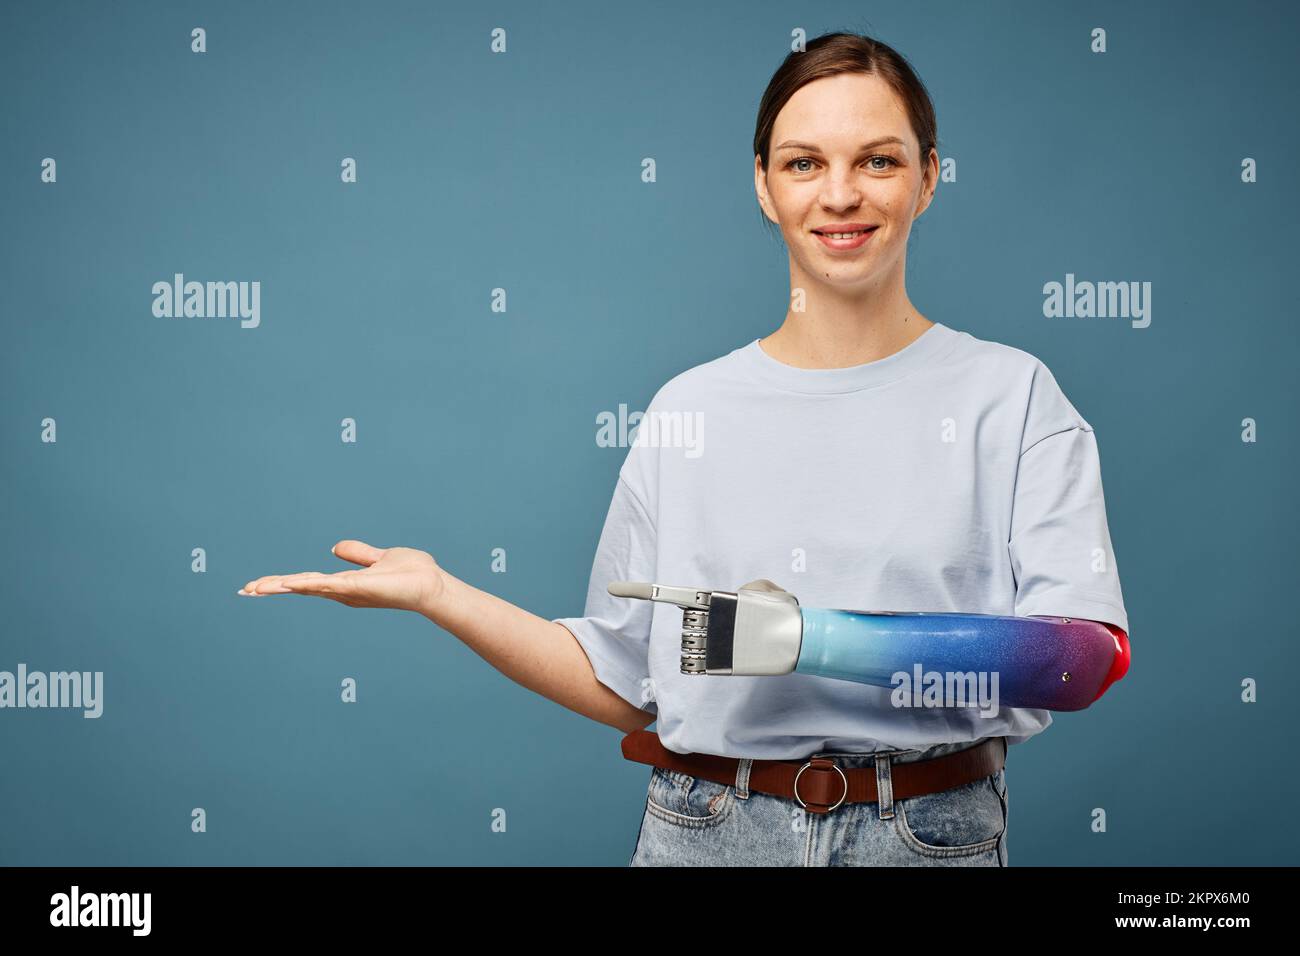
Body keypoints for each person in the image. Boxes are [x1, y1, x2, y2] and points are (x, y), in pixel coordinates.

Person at [240, 32, 1129, 867]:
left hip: (932, 836)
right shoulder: (688, 410)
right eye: (804, 163)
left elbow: (1083, 660)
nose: (841, 193)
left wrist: (806, 640)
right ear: (763, 185)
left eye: (879, 160)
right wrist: (443, 595)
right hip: (707, 833)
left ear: (929, 178)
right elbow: (632, 680)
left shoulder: (1012, 398)